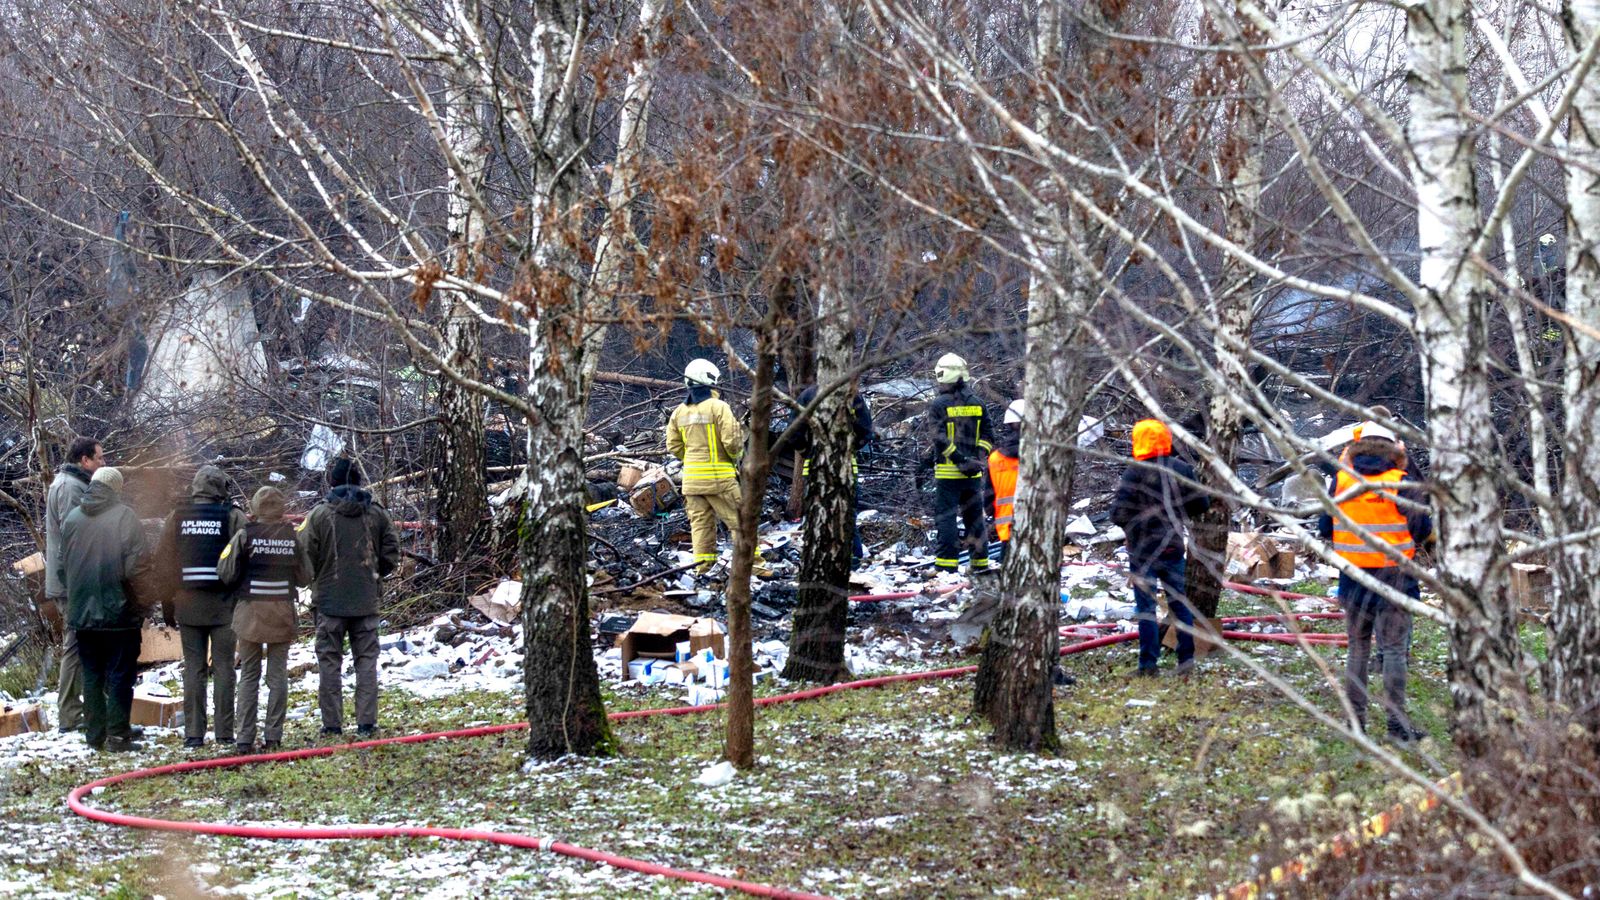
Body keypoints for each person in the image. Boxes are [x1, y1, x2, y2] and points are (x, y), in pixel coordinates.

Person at [1317, 423, 1430, 746]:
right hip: (1395, 579)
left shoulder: (1341, 480)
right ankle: (1396, 726)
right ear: (1394, 449)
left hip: (1353, 579)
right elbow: (1422, 529)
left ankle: (1356, 723)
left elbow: (1325, 526)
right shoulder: (1402, 483)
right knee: (1393, 650)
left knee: (1358, 648)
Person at [297, 458, 399, 739]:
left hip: (329, 602)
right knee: (366, 661)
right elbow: (391, 552)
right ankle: (367, 723)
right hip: (366, 601)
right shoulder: (377, 514)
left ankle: (332, 725)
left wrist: (317, 578)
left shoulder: (318, 515)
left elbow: (305, 556)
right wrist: (374, 575)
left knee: (329, 663)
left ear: (331, 482)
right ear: (358, 482)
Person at [155, 466, 248, 750]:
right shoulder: (233, 517)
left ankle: (193, 734)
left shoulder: (176, 517)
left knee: (193, 669)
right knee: (224, 669)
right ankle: (224, 733)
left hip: (187, 605)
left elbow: (164, 562)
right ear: (221, 489)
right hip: (224, 607)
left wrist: (167, 602)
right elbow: (245, 557)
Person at [56, 467, 148, 752]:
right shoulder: (125, 516)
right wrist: (141, 601)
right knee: (121, 674)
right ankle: (119, 736)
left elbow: (60, 568)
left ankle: (95, 735)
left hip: (82, 614)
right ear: (116, 489)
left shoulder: (72, 519)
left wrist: (79, 596)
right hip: (119, 613)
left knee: (92, 673)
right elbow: (138, 568)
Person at [1110, 418, 1209, 677]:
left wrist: (1133, 526)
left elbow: (1117, 514)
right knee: (1180, 605)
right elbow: (1202, 504)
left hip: (1142, 552)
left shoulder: (1133, 473)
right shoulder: (1182, 469)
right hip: (1173, 547)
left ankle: (1148, 665)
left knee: (1146, 609)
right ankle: (1186, 662)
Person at [219, 487, 310, 754]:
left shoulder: (244, 535)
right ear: (282, 508)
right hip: (282, 613)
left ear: (255, 507)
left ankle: (244, 739)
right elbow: (306, 577)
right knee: (277, 676)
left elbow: (225, 571)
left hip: (250, 614)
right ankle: (274, 737)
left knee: (249, 675)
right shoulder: (292, 538)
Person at [43, 436, 103, 732]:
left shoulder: (71, 483)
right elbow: (74, 539)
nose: (103, 463)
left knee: (82, 645)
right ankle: (69, 715)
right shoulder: (70, 487)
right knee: (75, 645)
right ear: (85, 460)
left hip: (74, 581)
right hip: (73, 584)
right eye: (99, 458)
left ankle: (79, 711)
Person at [666, 359, 745, 575]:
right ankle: (754, 567)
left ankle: (702, 567)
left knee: (700, 526)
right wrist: (737, 458)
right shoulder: (719, 407)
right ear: (710, 380)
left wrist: (692, 459)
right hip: (720, 479)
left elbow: (673, 446)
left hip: (691, 482)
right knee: (740, 523)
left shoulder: (678, 412)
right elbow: (732, 442)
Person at [918, 354, 994, 575]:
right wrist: (978, 458)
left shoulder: (939, 405)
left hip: (949, 474)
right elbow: (988, 435)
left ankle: (945, 565)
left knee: (947, 519)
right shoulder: (978, 403)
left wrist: (960, 460)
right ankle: (980, 564)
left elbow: (940, 440)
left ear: (944, 376)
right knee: (974, 520)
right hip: (972, 475)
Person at [790, 383, 875, 564]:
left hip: (815, 469)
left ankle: (820, 562)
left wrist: (809, 453)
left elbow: (793, 434)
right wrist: (850, 449)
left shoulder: (807, 396)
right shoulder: (852, 395)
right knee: (847, 516)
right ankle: (852, 561)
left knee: (817, 518)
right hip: (846, 468)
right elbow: (866, 431)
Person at [987, 399, 1026, 561]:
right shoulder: (1040, 455)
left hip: (1006, 527)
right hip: (1035, 525)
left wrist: (990, 511)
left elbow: (988, 495)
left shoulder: (995, 458)